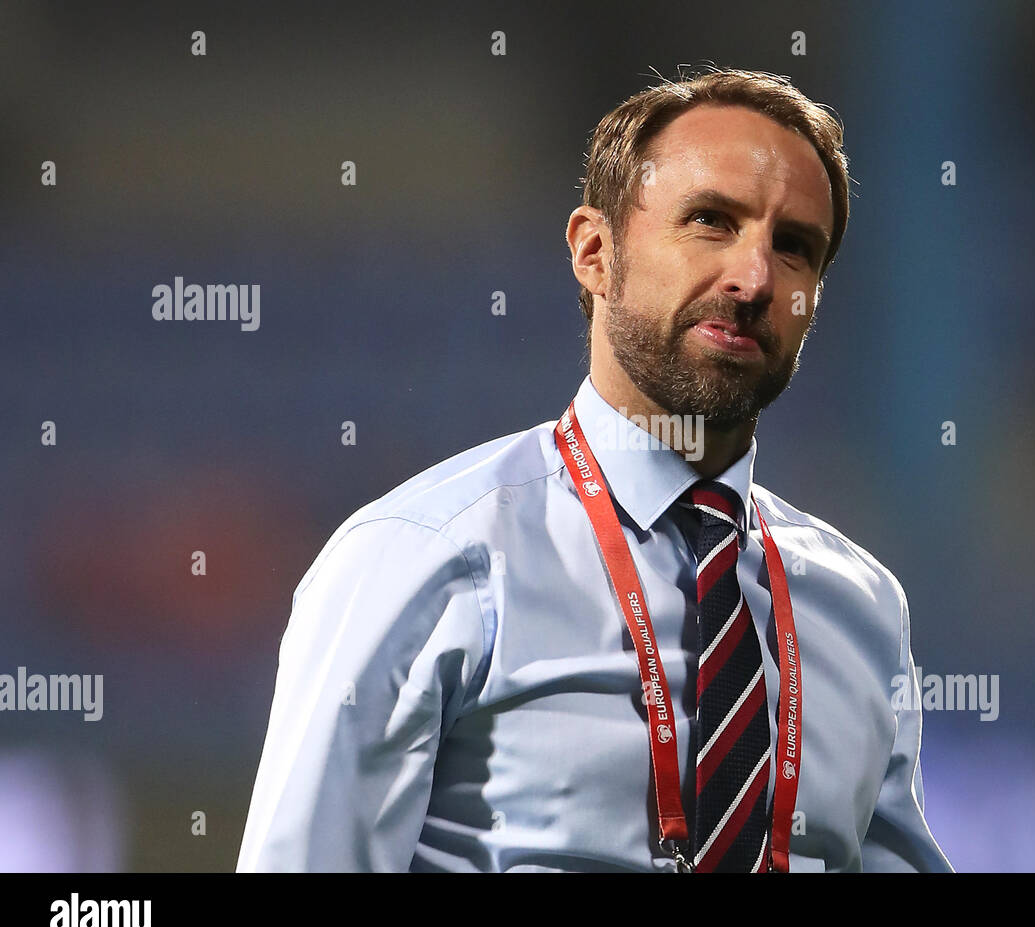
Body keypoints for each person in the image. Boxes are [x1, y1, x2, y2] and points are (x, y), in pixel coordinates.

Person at [237, 67, 952, 873]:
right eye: (711, 221)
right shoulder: (424, 559)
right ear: (594, 252)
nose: (755, 279)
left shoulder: (860, 609)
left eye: (794, 248)